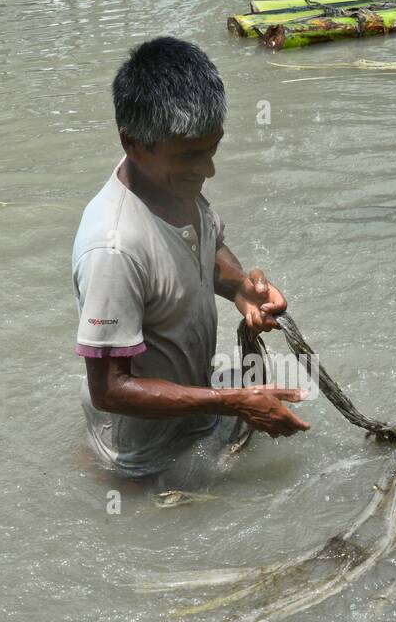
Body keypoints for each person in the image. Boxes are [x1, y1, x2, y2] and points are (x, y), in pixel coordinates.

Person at [71, 37, 308, 482]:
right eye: (191, 156)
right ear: (134, 143)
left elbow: (208, 244)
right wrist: (230, 401)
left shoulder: (175, 183)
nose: (208, 169)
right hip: (142, 460)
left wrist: (241, 290)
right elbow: (109, 390)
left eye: (211, 149)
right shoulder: (114, 248)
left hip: (195, 412)